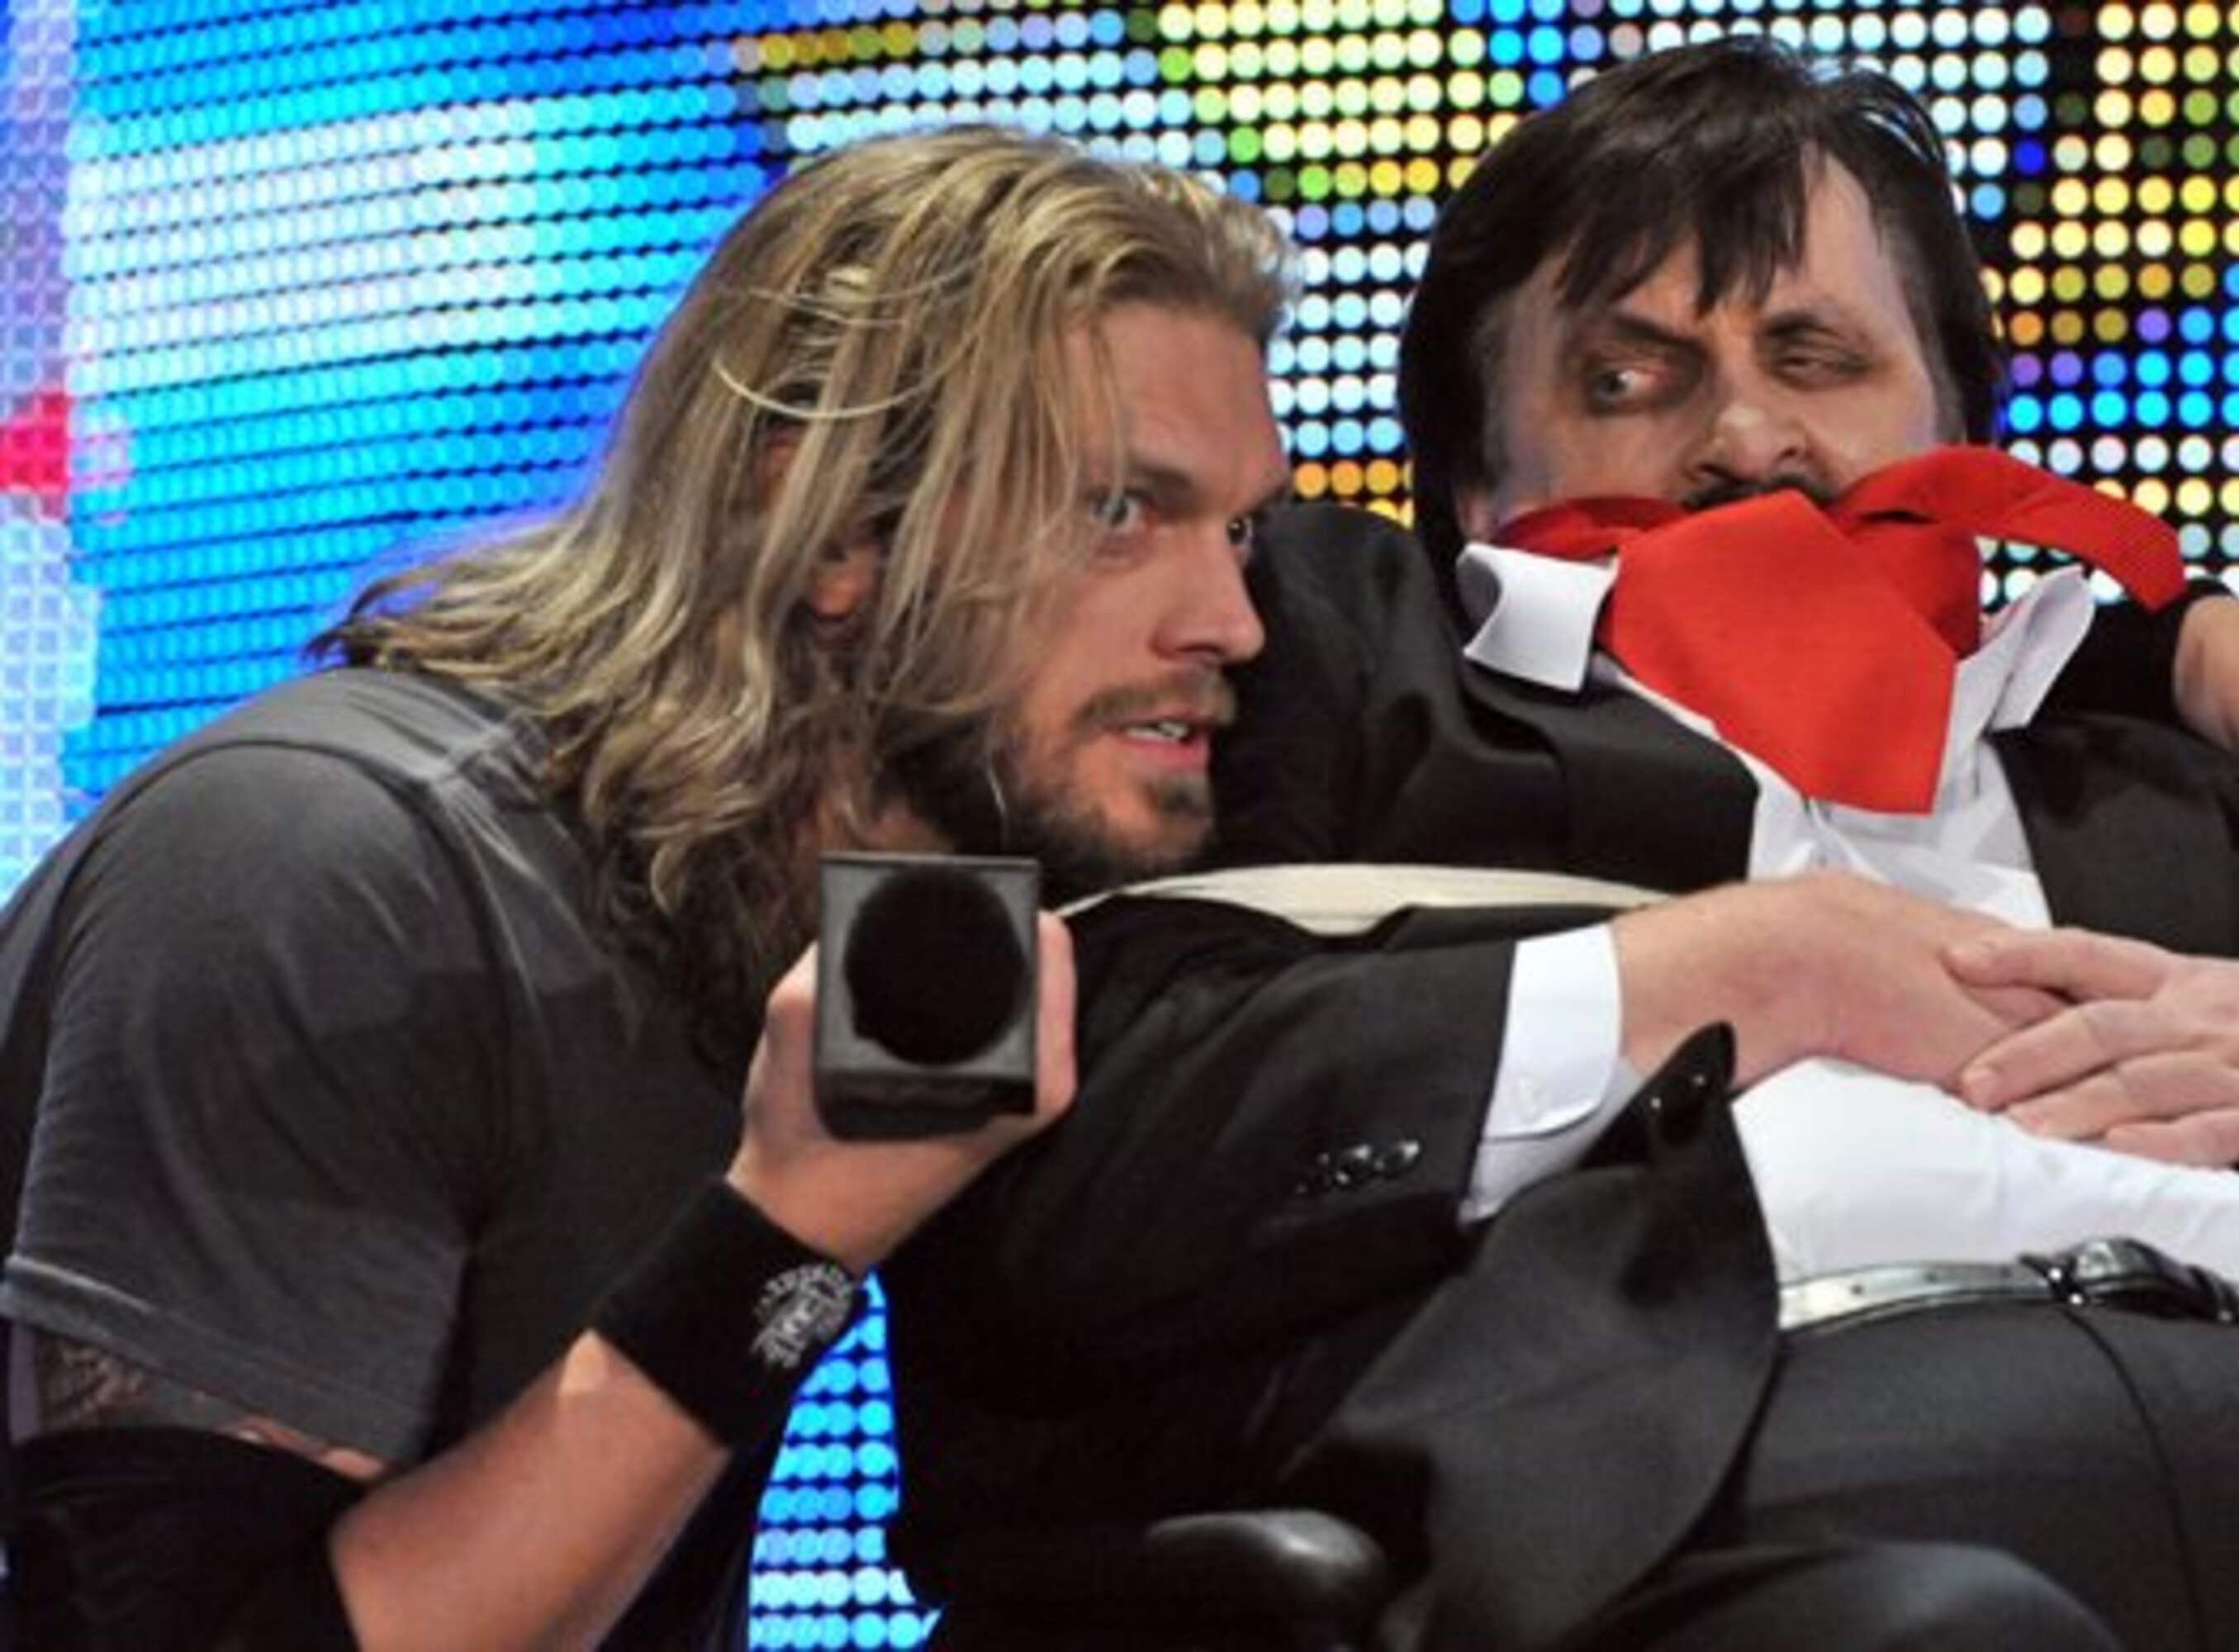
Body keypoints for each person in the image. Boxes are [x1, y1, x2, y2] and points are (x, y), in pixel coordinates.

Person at [884, 39, 2239, 1651]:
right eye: (1627, 375)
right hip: (1761, 1497)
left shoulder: (2223, 772)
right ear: (1472, 482)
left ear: (1955, 421)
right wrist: (1737, 974)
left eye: (1817, 357)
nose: (1743, 440)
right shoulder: (1326, 665)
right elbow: (1049, 1174)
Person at [0, 126, 1295, 1647]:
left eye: (1238, 529)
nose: (1231, 620)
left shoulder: (819, 944)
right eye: (1117, 512)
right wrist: (784, 1237)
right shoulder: (325, 869)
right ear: (833, 528)